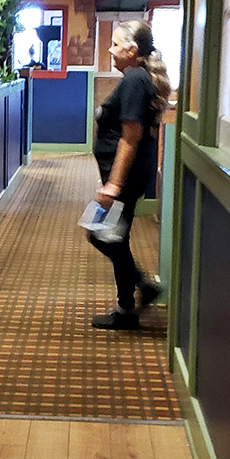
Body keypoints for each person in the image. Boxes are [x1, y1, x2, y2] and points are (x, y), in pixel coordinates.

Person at [89, 20, 170, 329]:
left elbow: (130, 137)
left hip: (127, 177)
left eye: (115, 44)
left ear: (132, 50)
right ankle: (133, 300)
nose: (110, 50)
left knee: (102, 233)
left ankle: (136, 296)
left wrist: (114, 184)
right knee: (112, 236)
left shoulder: (135, 79)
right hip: (127, 175)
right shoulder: (135, 78)